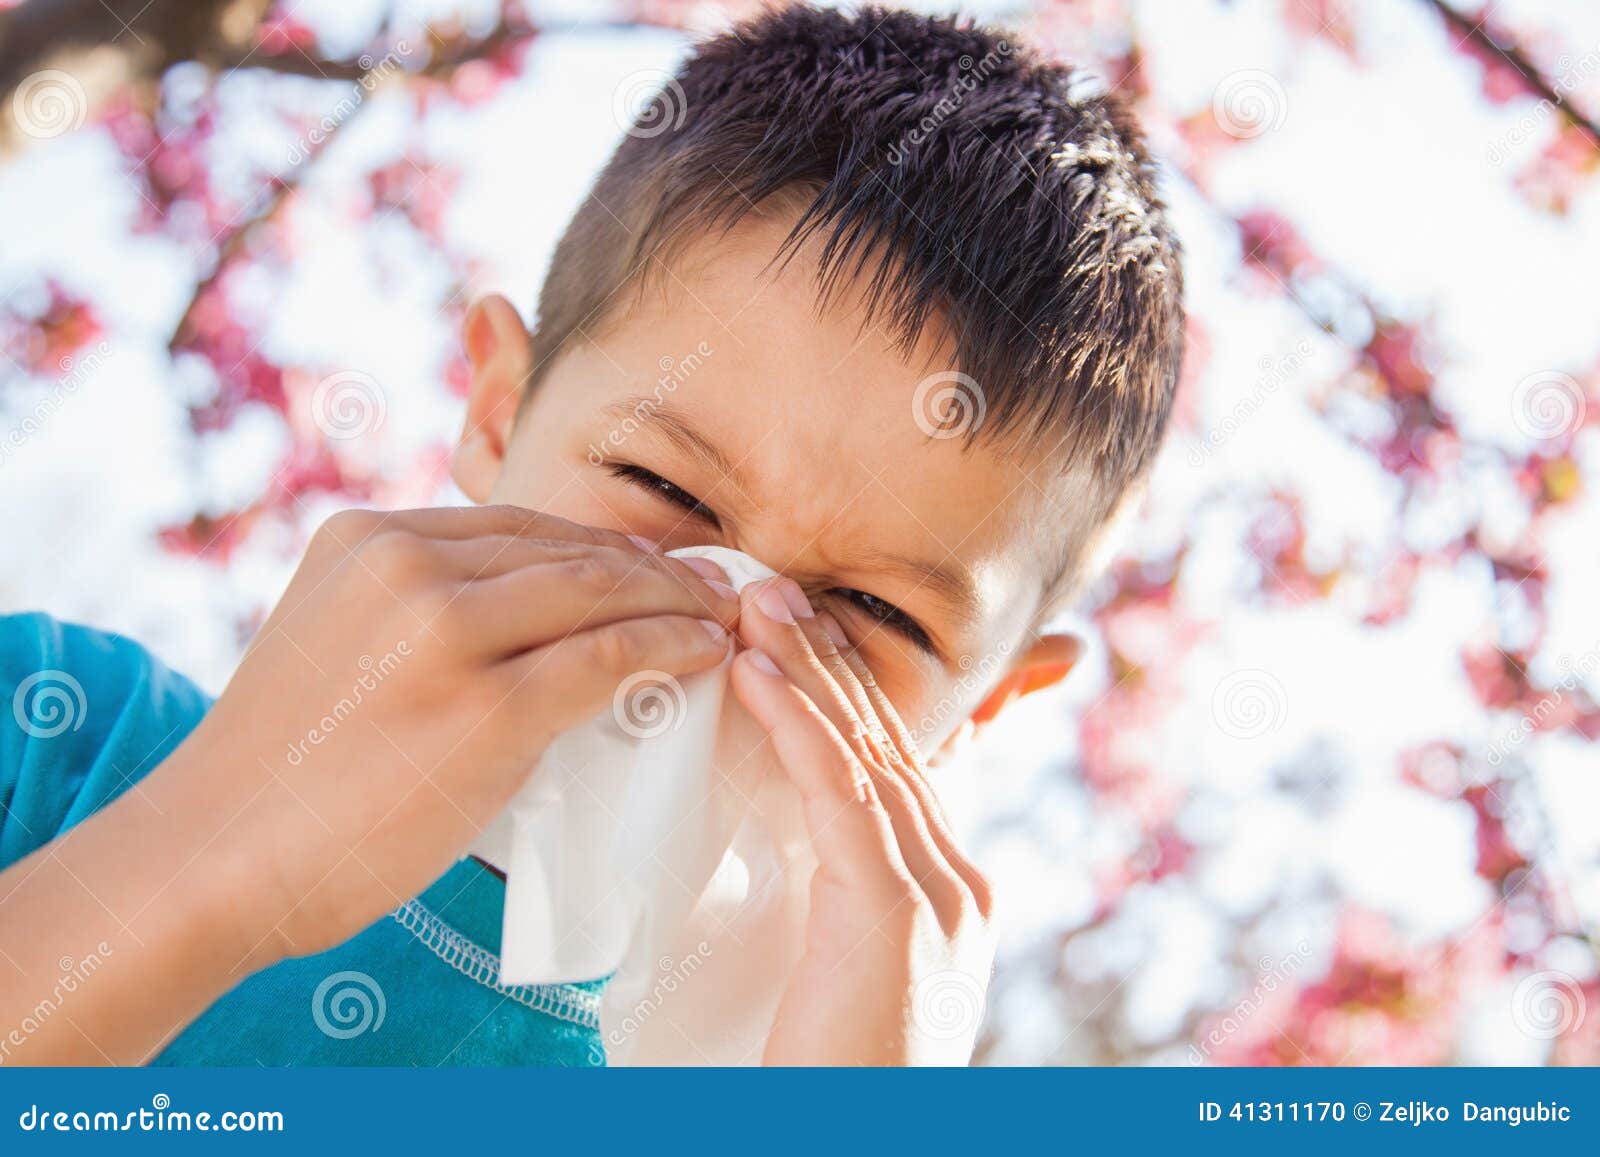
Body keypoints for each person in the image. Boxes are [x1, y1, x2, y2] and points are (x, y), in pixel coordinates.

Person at [0, 3, 1182, 1066]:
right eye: (661, 486)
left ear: (978, 706)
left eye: (874, 615)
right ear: (498, 409)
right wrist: (208, 858)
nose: (732, 617)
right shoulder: (49, 736)